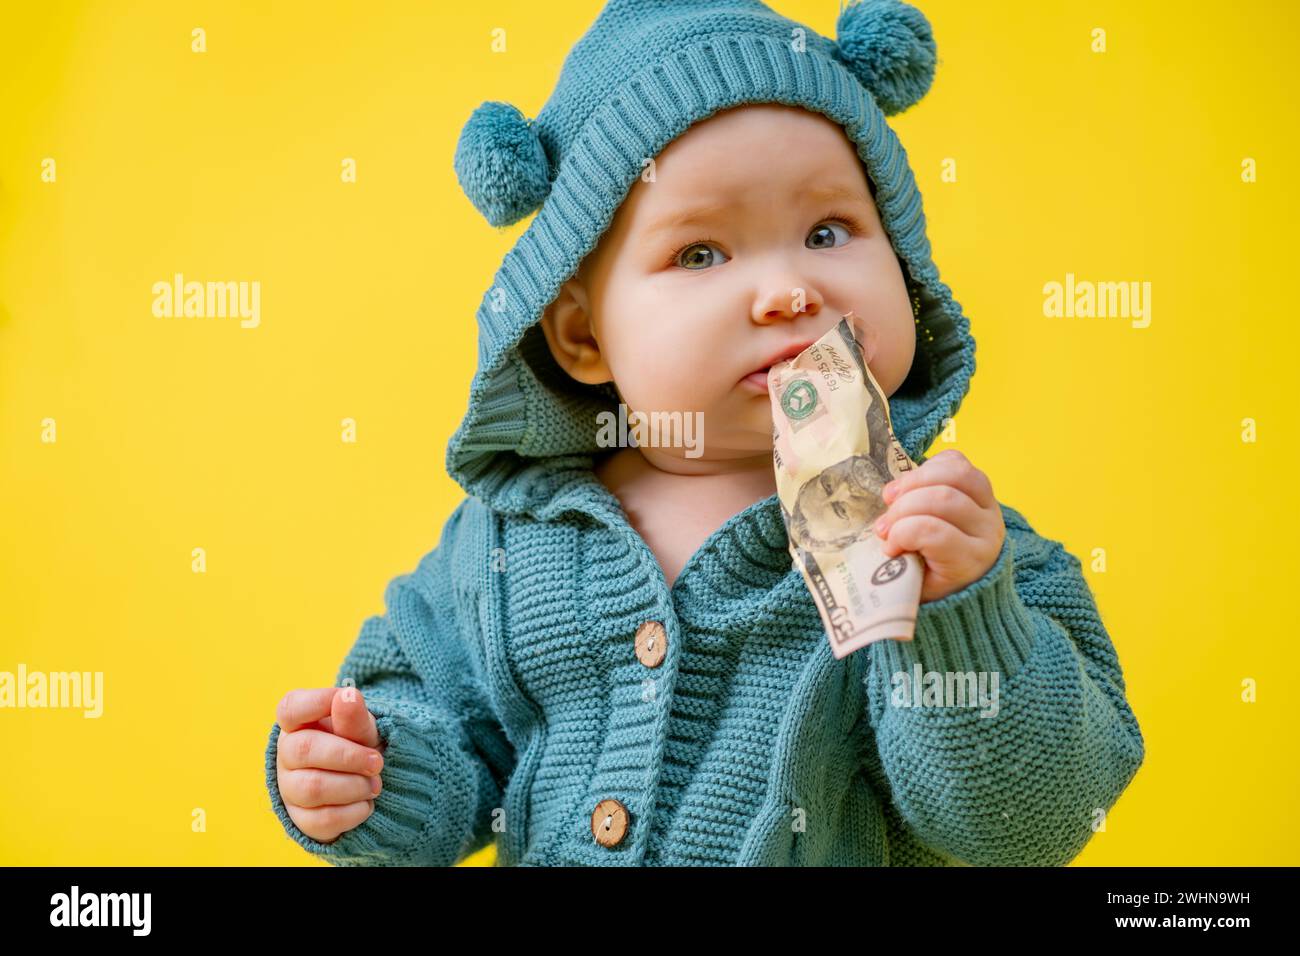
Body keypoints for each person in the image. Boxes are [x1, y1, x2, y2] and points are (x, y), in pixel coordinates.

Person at [265, 0, 1145, 866]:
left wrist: (963, 614)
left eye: (828, 231)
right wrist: (372, 775)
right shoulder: (503, 547)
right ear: (581, 335)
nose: (787, 292)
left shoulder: (959, 550)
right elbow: (441, 734)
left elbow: (1035, 824)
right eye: (701, 254)